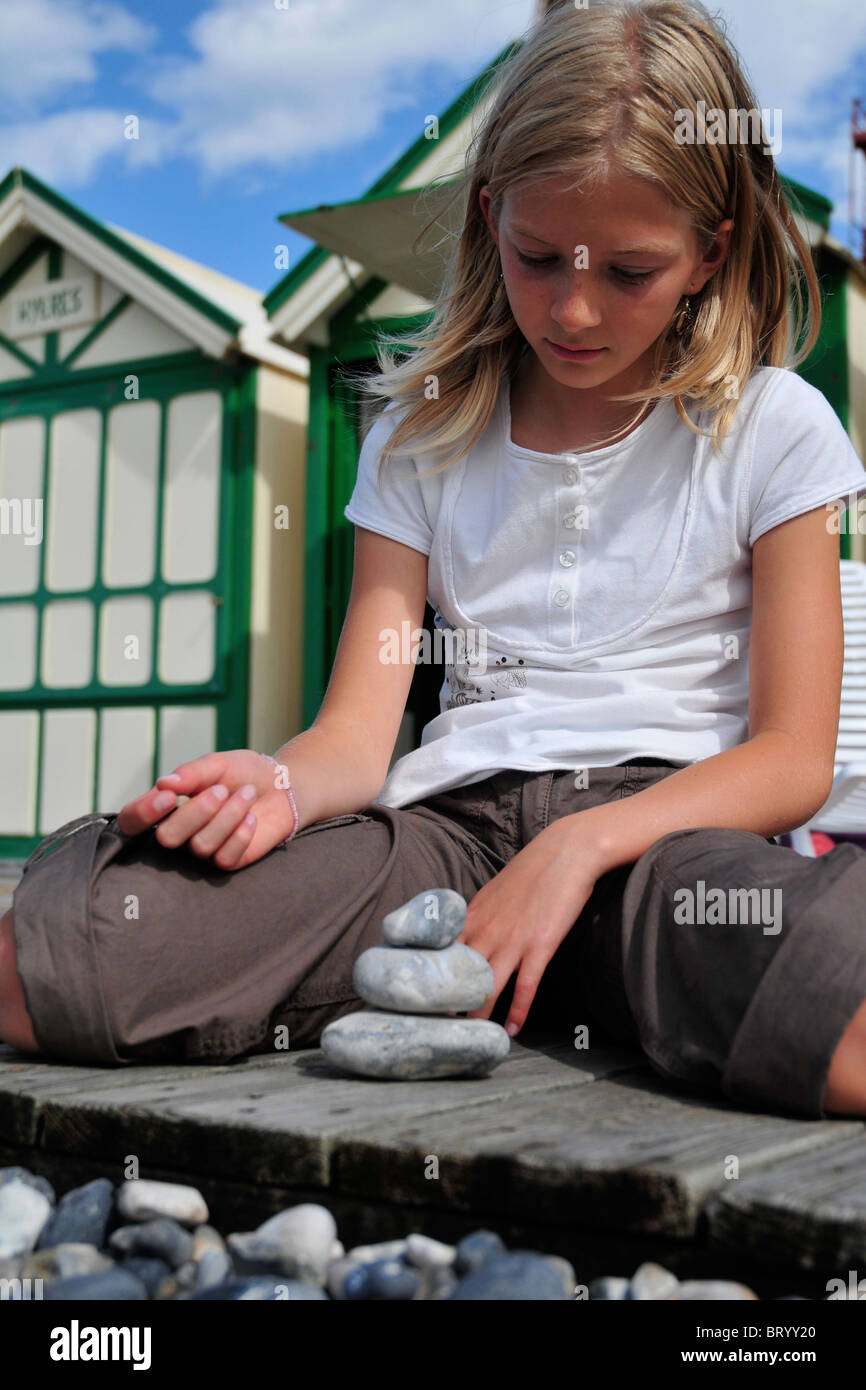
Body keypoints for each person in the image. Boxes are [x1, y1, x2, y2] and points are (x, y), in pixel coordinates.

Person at [3, 0, 866, 1119]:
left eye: (628, 272)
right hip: (443, 845)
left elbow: (793, 758)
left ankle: (589, 973)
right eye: (537, 254)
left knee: (835, 1017)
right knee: (52, 964)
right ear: (485, 212)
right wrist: (276, 783)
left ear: (710, 250)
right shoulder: (418, 432)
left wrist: (582, 848)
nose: (570, 307)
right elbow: (356, 737)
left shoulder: (774, 427)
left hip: (671, 839)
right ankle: (524, 983)